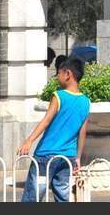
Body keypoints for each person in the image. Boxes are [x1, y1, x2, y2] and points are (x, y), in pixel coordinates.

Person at [17, 56, 90, 202]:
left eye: (59, 73)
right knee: (63, 196)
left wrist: (29, 140)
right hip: (67, 158)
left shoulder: (59, 96)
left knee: (33, 196)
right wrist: (78, 158)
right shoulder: (86, 101)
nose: (57, 77)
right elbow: (82, 132)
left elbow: (46, 121)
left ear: (68, 74)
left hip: (46, 155)